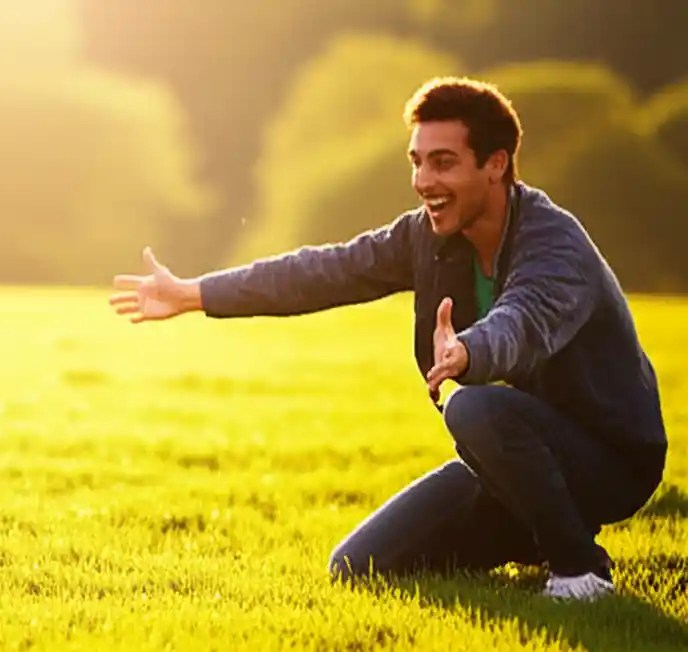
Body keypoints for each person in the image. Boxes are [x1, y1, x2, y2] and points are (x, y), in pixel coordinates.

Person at [109, 77, 667, 601]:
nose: (424, 180)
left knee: (473, 408)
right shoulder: (426, 237)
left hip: (607, 460)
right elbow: (325, 270)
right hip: (510, 457)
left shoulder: (555, 244)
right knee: (358, 567)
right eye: (418, 162)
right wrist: (195, 293)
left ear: (496, 164)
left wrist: (469, 351)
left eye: (443, 162)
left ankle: (579, 569)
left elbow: (525, 320)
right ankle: (533, 533)